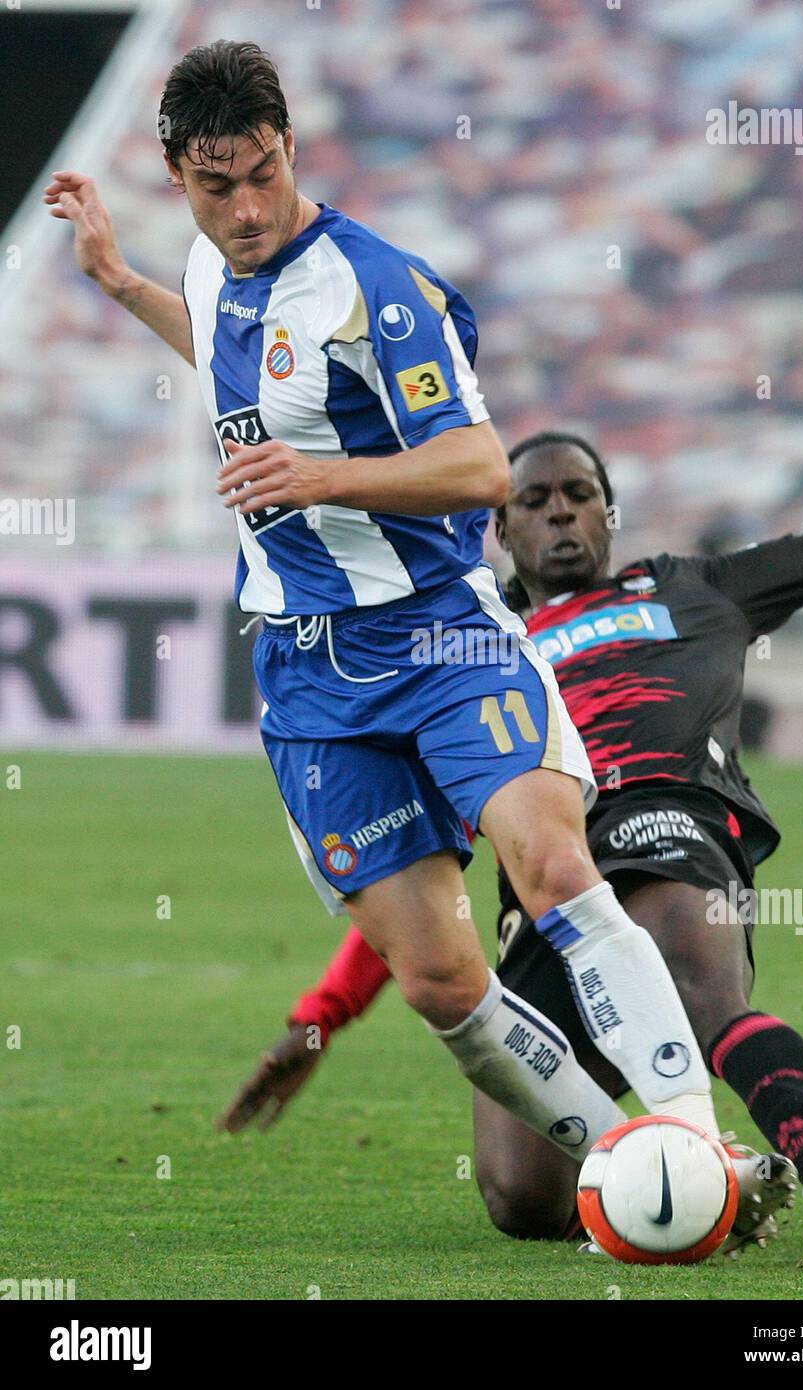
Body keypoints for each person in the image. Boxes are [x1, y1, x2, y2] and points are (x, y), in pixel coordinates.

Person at [47, 39, 731, 1180]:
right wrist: (120, 283)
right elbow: (235, 364)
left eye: (264, 172)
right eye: (218, 187)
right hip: (309, 673)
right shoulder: (217, 266)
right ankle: (629, 1164)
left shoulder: (376, 283)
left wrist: (323, 475)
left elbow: (477, 467)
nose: (249, 205)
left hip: (443, 634)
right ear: (179, 176)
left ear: (290, 148)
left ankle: (700, 1149)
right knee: (438, 980)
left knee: (554, 870)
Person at [222, 365, 803, 1265]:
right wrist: (322, 1014)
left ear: (608, 513)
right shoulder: (474, 654)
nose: (560, 512)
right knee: (519, 1197)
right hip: (541, 886)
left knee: (699, 987)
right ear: (498, 527)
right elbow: (409, 872)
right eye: (535, 499)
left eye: (580, 494)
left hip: (670, 820)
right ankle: (709, 1184)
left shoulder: (689, 589)